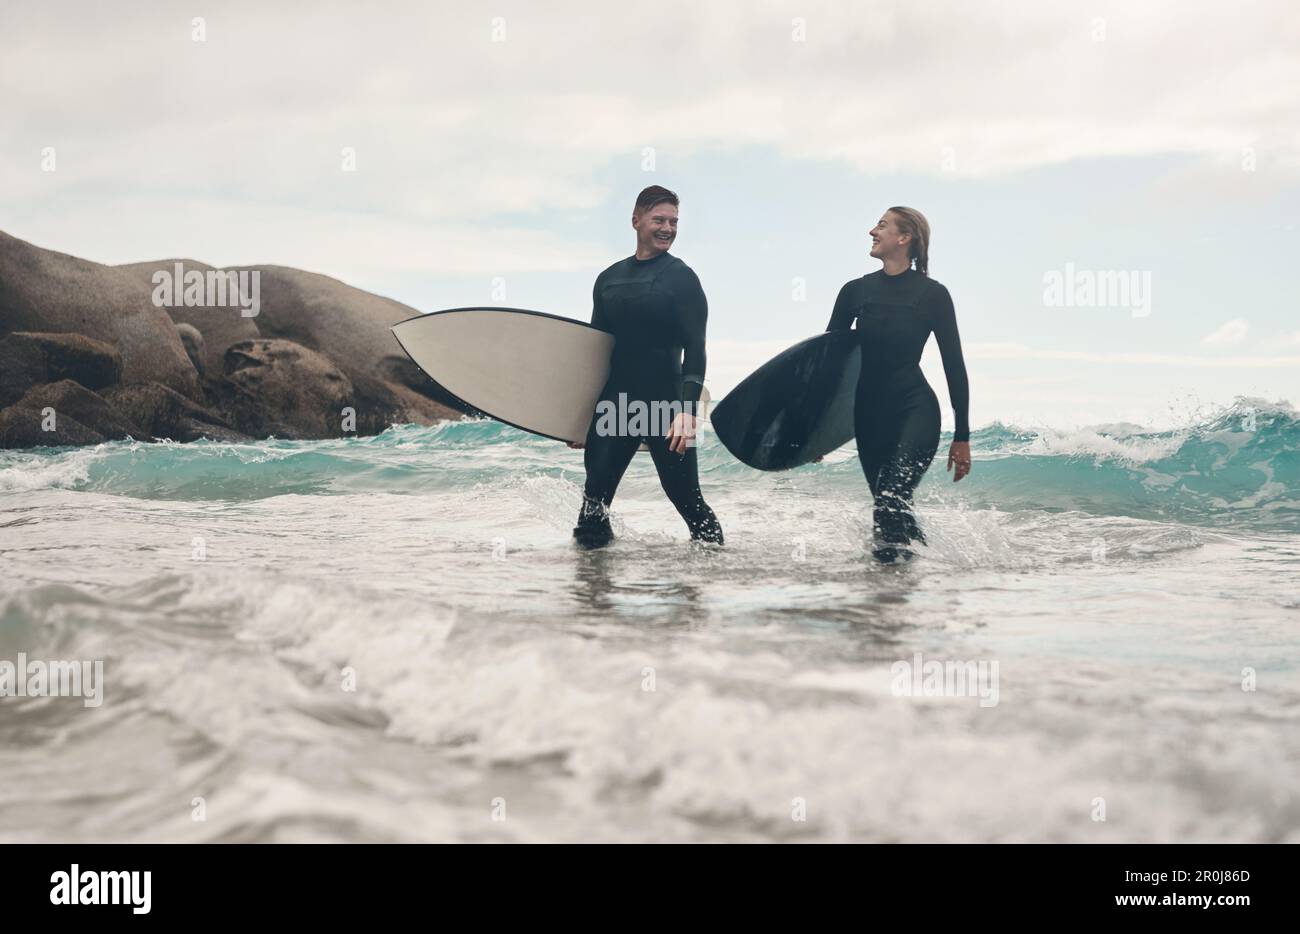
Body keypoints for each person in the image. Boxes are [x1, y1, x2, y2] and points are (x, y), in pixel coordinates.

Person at [569, 185, 724, 548]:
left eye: (674, 221)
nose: (668, 228)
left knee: (688, 501)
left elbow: (695, 350)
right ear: (636, 221)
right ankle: (593, 580)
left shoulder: (682, 278)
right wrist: (578, 418)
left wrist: (687, 412)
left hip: (665, 406)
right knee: (593, 506)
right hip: (615, 404)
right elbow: (596, 351)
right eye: (659, 220)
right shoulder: (608, 279)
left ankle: (712, 573)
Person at [825, 206, 971, 562]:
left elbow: (954, 365)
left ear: (904, 238)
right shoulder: (855, 291)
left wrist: (962, 436)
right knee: (890, 509)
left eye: (882, 225)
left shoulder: (933, 295)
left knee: (890, 500)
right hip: (868, 416)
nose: (872, 231)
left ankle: (898, 585)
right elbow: (829, 363)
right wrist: (820, 430)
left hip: (914, 409)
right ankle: (907, 582)